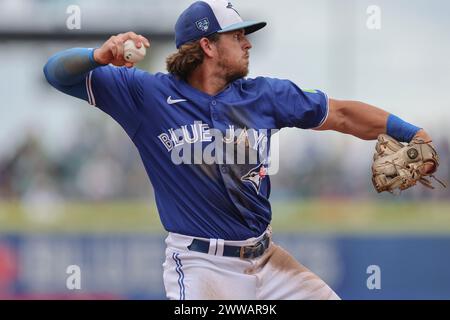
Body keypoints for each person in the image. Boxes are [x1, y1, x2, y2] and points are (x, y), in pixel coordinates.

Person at [43, 0, 435, 300]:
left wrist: (412, 132)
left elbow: (344, 114)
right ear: (207, 46)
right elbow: (55, 73)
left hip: (267, 259)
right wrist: (97, 56)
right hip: (200, 266)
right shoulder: (146, 95)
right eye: (237, 36)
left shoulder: (265, 95)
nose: (247, 43)